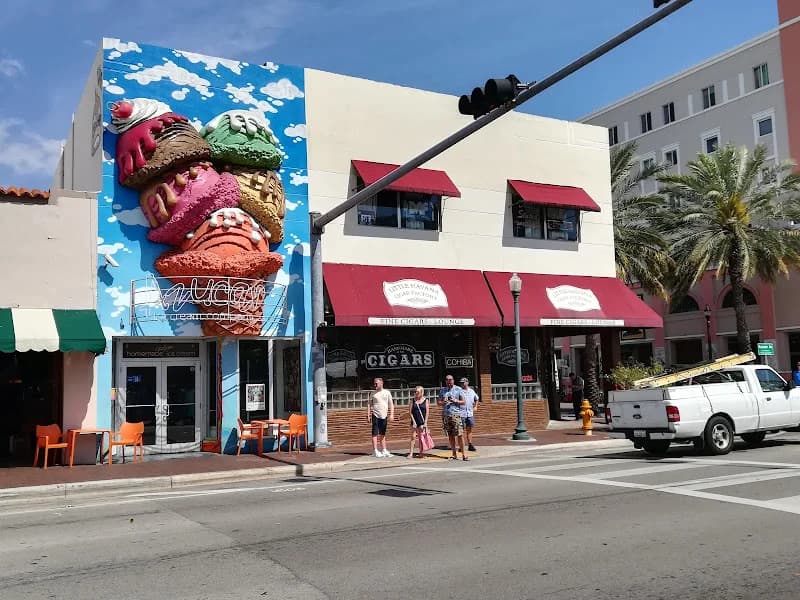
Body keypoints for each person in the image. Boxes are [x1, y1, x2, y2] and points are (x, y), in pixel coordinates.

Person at [438, 374, 467, 460]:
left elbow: (464, 402)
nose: (449, 381)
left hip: (456, 414)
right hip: (446, 415)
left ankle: (464, 454)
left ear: (453, 380)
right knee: (450, 435)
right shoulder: (443, 390)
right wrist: (443, 401)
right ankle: (454, 454)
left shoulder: (458, 389)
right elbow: (438, 403)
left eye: (450, 380)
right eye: (447, 380)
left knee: (460, 434)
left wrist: (456, 400)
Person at [367, 377, 394, 458]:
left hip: (384, 415)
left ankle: (384, 450)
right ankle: (375, 450)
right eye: (374, 383)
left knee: (383, 433)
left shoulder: (387, 392)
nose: (375, 385)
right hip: (375, 414)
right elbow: (369, 404)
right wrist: (368, 415)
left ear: (381, 383)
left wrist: (391, 414)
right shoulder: (373, 393)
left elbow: (391, 404)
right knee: (375, 433)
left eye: (376, 383)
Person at [459, 377, 479, 452]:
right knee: (461, 430)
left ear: (467, 383)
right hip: (462, 413)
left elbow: (476, 399)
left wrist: (476, 406)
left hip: (470, 413)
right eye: (461, 383)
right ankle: (462, 446)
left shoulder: (471, 391)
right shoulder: (459, 392)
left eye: (463, 382)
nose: (462, 384)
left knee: (469, 430)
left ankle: (470, 444)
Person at [407, 386, 428, 459]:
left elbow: (427, 412)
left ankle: (421, 453)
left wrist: (425, 422)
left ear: (421, 392)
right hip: (414, 421)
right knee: (413, 437)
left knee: (421, 437)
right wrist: (414, 421)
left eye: (417, 392)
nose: (415, 393)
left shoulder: (425, 400)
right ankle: (411, 453)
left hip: (422, 421)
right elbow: (410, 412)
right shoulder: (412, 400)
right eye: (415, 391)